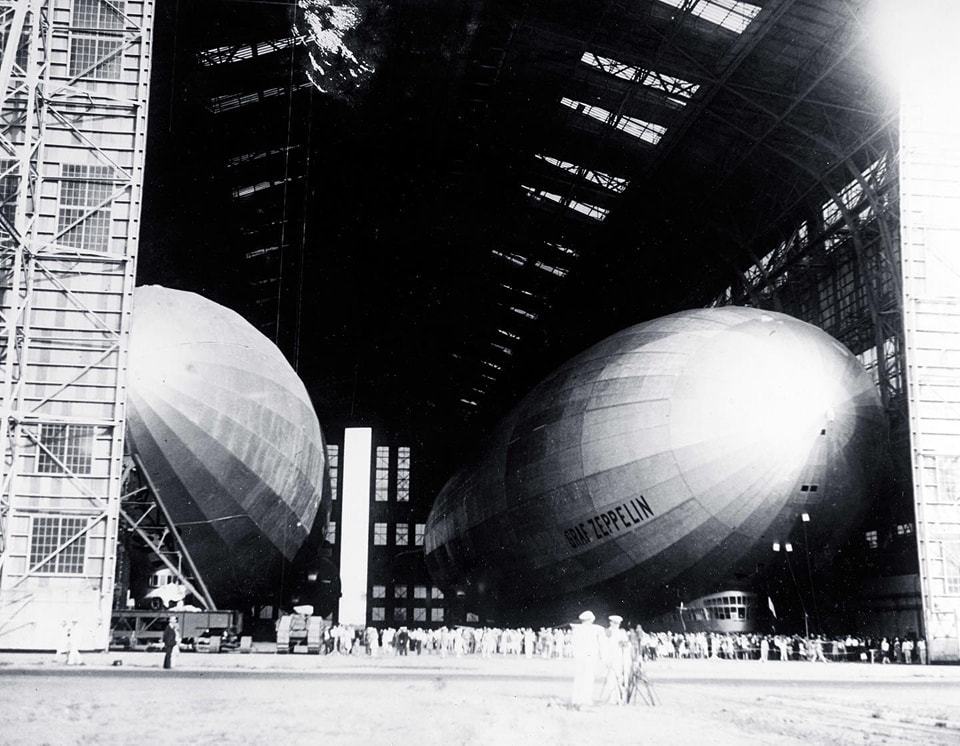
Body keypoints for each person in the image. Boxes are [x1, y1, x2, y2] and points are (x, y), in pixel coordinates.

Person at [571, 610, 602, 707]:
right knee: (588, 678)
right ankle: (586, 699)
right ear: (590, 620)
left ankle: (576, 699)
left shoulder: (577, 629)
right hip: (590, 657)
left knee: (579, 677)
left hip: (579, 656)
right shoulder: (594, 629)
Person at [601, 615, 630, 705]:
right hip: (610, 658)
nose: (617, 625)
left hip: (619, 658)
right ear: (611, 623)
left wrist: (624, 644)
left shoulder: (622, 632)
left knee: (620, 678)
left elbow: (627, 645)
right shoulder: (607, 632)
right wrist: (605, 659)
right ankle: (612, 698)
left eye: (618, 624)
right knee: (611, 679)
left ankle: (621, 698)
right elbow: (603, 646)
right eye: (615, 623)